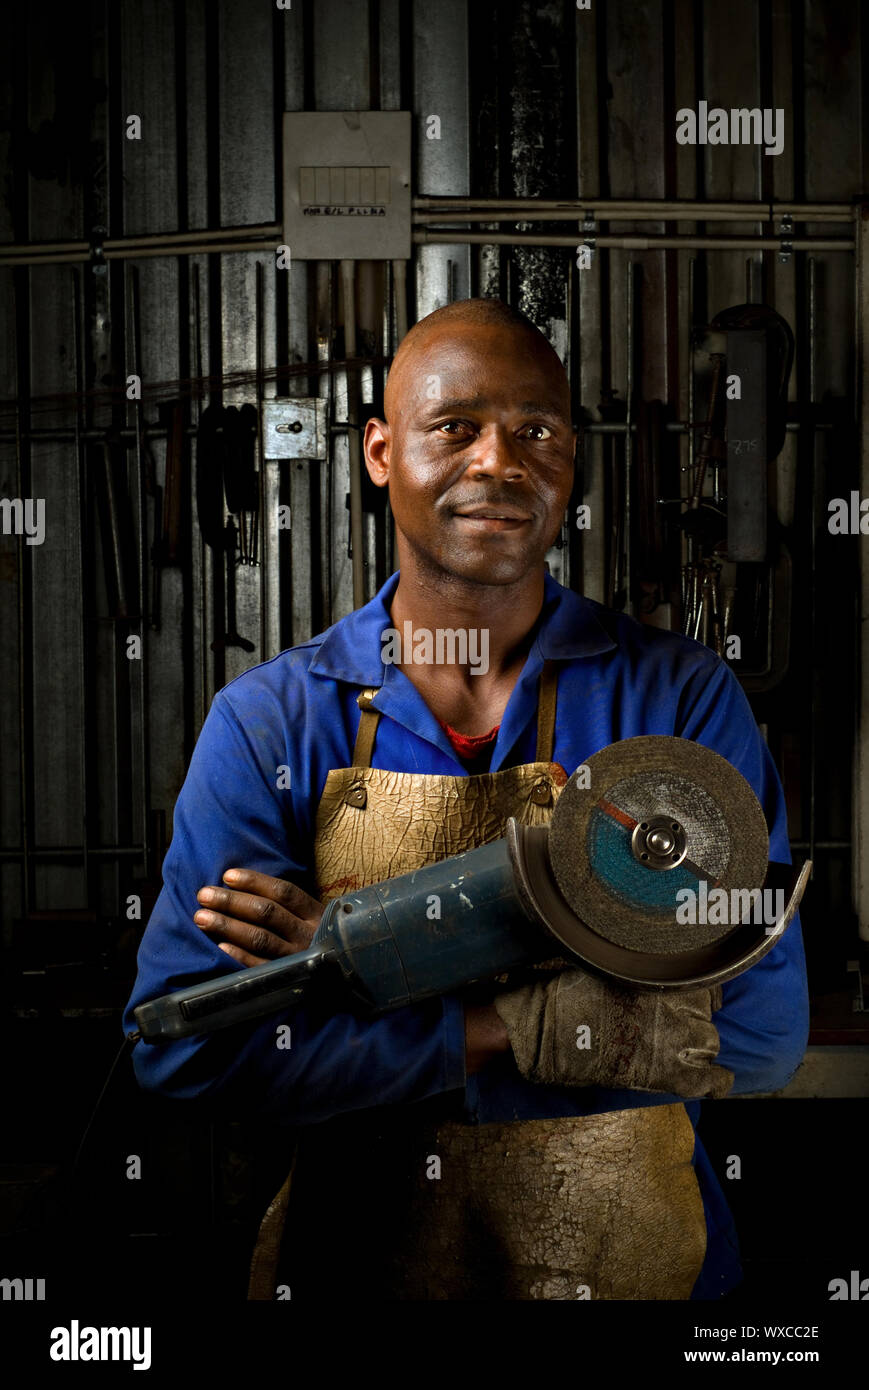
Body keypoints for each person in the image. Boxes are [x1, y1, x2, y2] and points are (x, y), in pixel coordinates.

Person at [123, 297, 809, 1301]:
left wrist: (363, 959)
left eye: (535, 430)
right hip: (356, 1277)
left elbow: (752, 1034)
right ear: (377, 451)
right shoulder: (271, 722)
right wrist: (547, 1017)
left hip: (640, 1281)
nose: (498, 463)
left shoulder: (675, 697)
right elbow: (185, 1048)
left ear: (569, 462)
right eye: (453, 428)